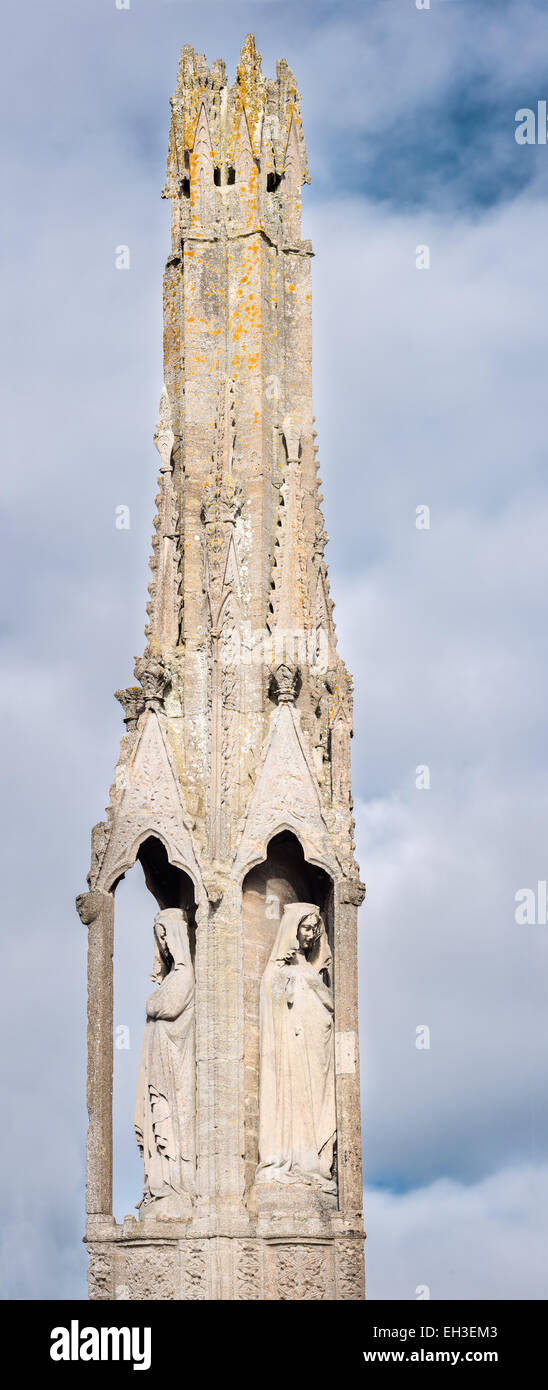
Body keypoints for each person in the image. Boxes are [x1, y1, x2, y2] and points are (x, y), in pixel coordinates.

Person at [256, 901, 336, 1193]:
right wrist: (283, 982)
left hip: (314, 1046)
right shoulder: (279, 967)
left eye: (314, 929)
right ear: (293, 928)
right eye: (305, 927)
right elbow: (273, 1000)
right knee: (290, 1101)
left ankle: (310, 1161)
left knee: (310, 1103)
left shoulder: (309, 967)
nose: (310, 934)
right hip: (289, 1046)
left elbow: (327, 1004)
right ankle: (288, 1159)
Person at [134, 907, 196, 1214]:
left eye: (167, 935)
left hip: (174, 1063)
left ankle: (175, 1184)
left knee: (171, 1121)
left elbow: (167, 1007)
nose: (164, 944)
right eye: (160, 938)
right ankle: (162, 1184)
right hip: (160, 1060)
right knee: (160, 1117)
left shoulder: (184, 975)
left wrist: (152, 1003)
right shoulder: (170, 977)